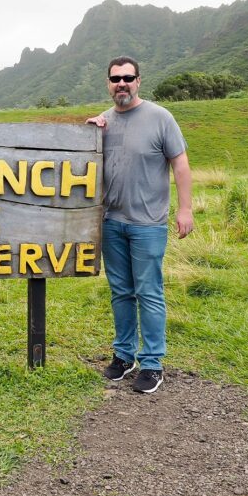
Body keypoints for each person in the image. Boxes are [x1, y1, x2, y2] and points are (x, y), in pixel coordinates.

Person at [86, 56, 193, 394]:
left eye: (128, 78)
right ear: (108, 83)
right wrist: (87, 133)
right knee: (121, 292)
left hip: (148, 223)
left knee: (149, 292)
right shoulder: (102, 121)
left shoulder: (161, 117)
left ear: (138, 81)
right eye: (116, 78)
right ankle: (123, 356)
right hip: (112, 222)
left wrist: (185, 209)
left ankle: (151, 363)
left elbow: (180, 163)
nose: (122, 84)